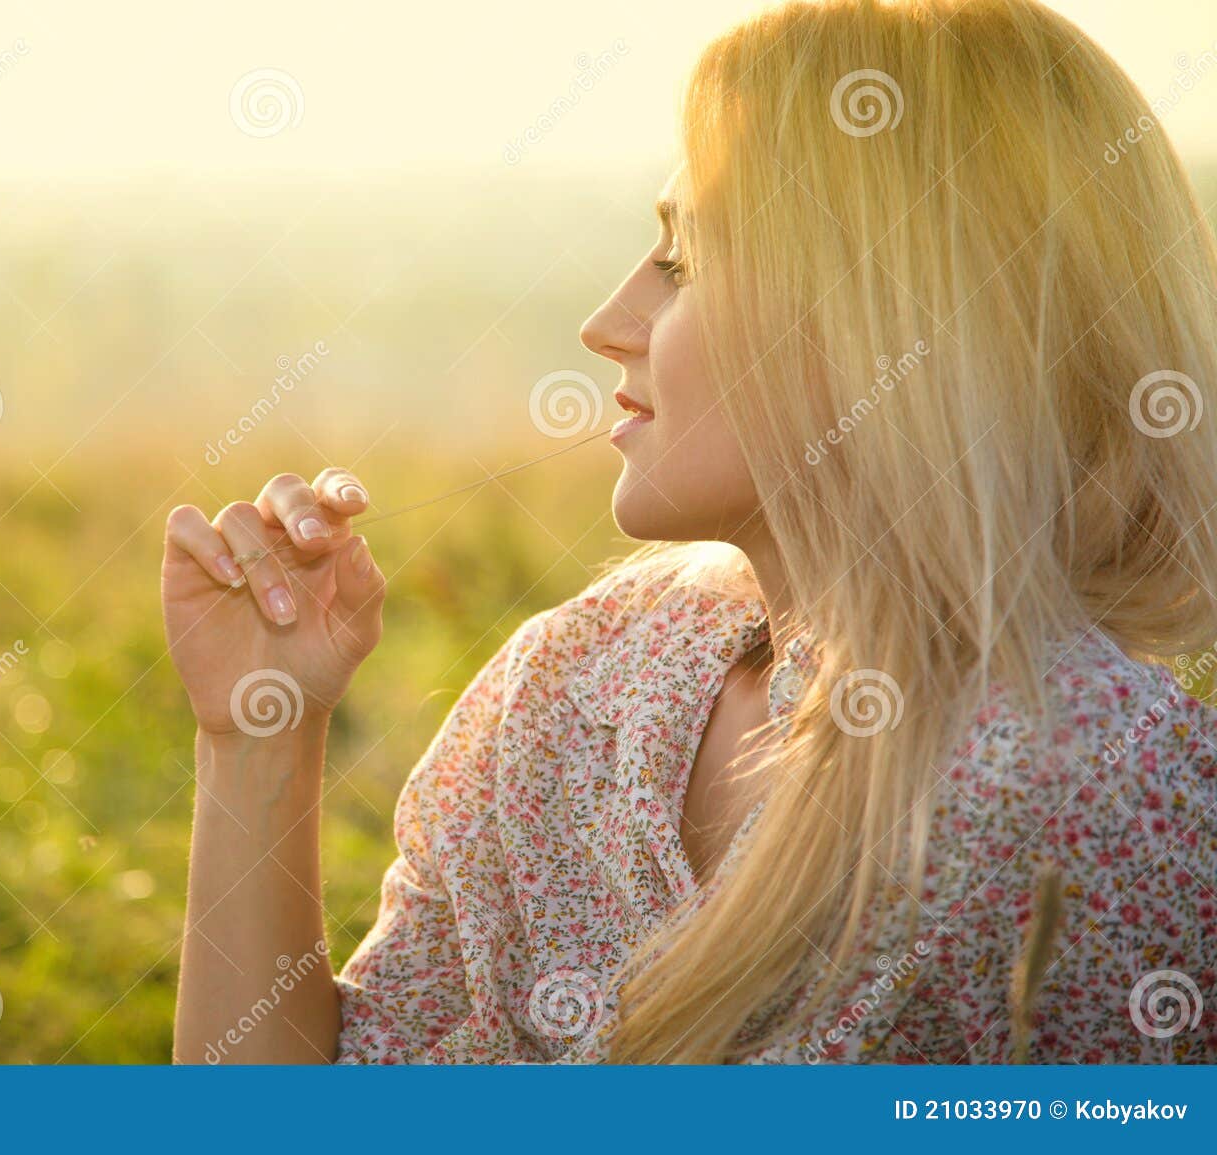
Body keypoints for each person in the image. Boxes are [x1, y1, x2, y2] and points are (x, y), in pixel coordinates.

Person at [164, 0, 1217, 1063]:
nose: (606, 320)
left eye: (683, 264)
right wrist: (258, 735)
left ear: (895, 326)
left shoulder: (1100, 783)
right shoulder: (576, 677)